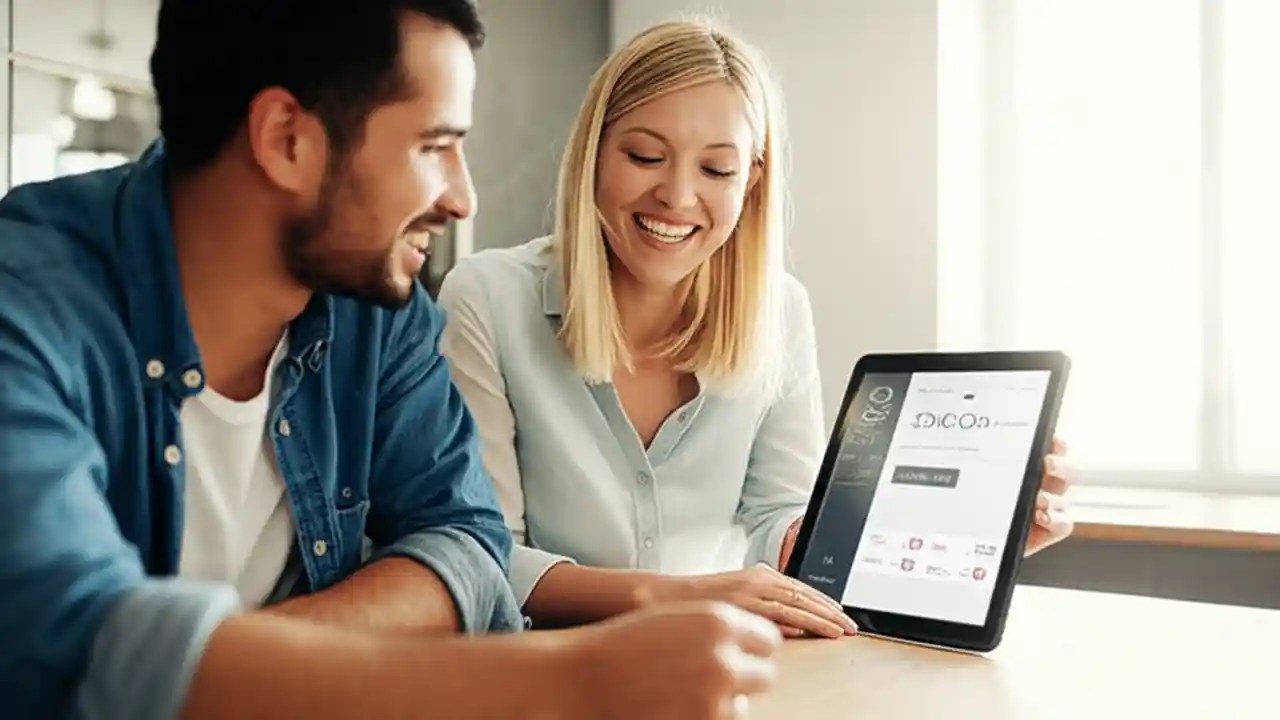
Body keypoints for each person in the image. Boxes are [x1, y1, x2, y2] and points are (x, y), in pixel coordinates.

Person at [0, 3, 782, 719]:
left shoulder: (376, 306)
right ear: (286, 140)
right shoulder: (26, 302)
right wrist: (574, 678)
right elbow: (73, 640)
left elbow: (470, 547)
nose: (463, 197)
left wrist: (253, 664)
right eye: (435, 146)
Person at [438, 19, 1078, 638]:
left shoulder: (781, 312)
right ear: (593, 154)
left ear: (752, 182)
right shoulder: (488, 298)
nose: (678, 196)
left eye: (716, 170)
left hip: (721, 674)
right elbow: (484, 553)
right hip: (545, 678)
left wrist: (962, 539)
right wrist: (684, 598)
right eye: (645, 156)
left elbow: (781, 522)